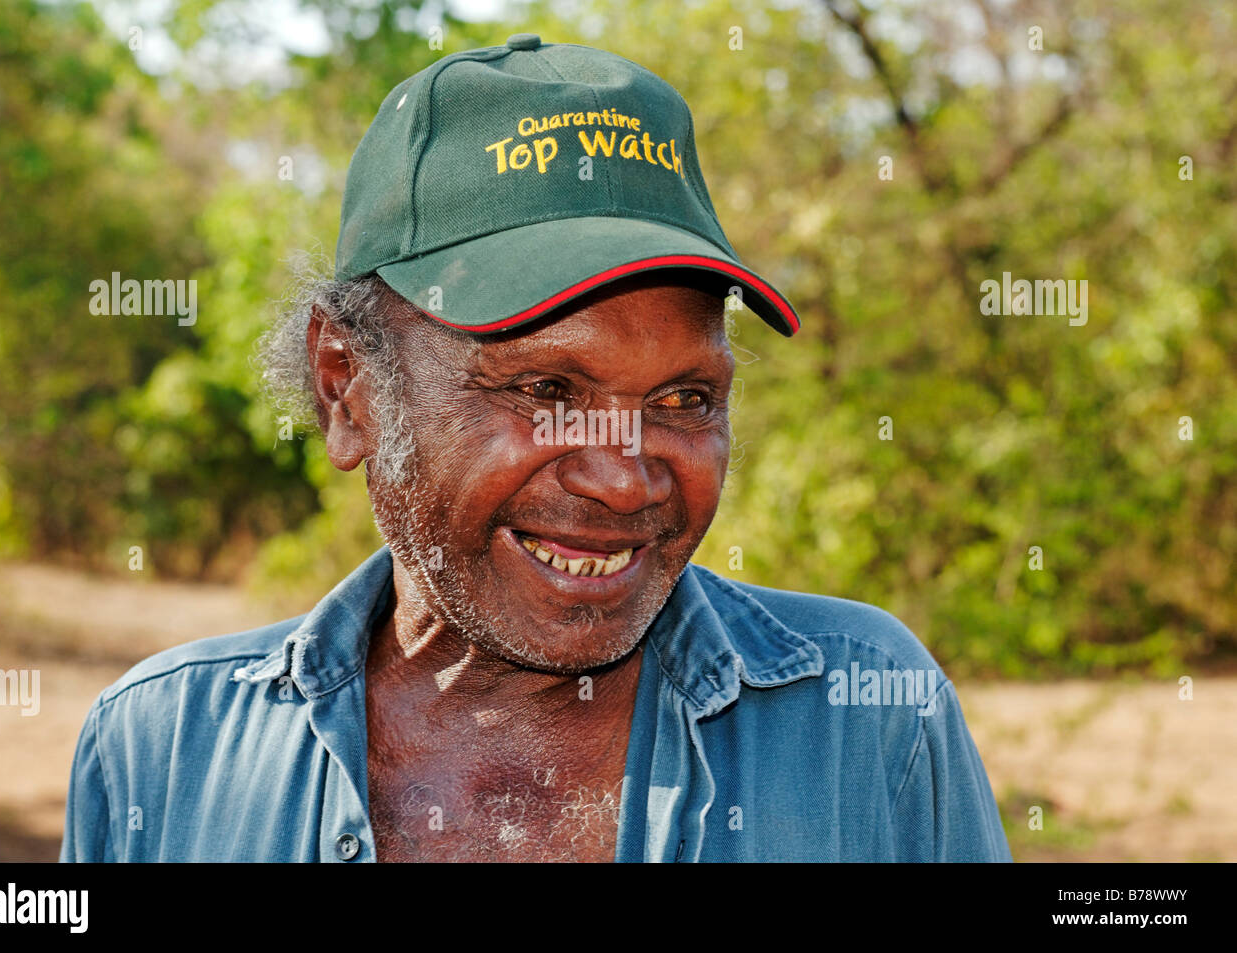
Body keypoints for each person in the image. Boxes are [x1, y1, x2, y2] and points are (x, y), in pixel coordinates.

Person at [61, 34, 1011, 862]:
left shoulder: (868, 719)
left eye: (685, 398)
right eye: (544, 390)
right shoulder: (161, 754)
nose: (623, 474)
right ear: (346, 387)